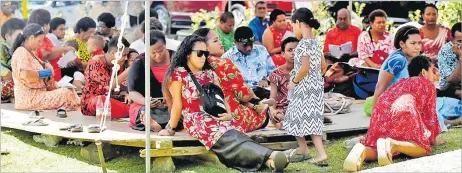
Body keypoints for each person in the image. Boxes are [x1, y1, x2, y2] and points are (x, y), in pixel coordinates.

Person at [159, 35, 288, 172]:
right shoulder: (178, 74)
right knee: (228, 138)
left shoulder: (210, 73)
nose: (204, 57)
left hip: (218, 116)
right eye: (200, 53)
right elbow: (177, 105)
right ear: (188, 54)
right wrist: (170, 128)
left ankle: (271, 163)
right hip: (197, 120)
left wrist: (229, 114)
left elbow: (222, 96)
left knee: (235, 135)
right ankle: (271, 155)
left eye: (206, 53)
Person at [343, 55, 445, 172]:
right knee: (423, 148)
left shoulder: (401, 82)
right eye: (432, 71)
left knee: (377, 148)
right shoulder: (427, 84)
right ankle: (393, 144)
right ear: (423, 72)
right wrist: (434, 139)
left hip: (381, 110)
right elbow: (430, 117)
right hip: (403, 110)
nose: (435, 74)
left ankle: (363, 151)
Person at [193, 28, 272, 133]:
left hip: (199, 120)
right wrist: (253, 97)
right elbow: (244, 96)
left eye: (219, 39)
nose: (221, 43)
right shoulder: (224, 63)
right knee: (264, 114)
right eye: (215, 40)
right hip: (229, 117)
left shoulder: (189, 65)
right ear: (203, 46)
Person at [284, 7, 328, 165]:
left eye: (292, 26)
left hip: (303, 86)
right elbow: (323, 66)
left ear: (298, 23)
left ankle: (316, 152)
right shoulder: (315, 43)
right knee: (311, 119)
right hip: (315, 86)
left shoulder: (302, 45)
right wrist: (317, 79)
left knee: (295, 117)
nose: (293, 29)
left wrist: (293, 82)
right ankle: (305, 149)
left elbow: (304, 68)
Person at [10, 24, 80, 111]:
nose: (41, 44)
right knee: (65, 93)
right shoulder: (21, 52)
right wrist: (47, 72)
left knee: (69, 90)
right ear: (31, 38)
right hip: (29, 97)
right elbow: (25, 74)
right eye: (39, 41)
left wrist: (46, 67)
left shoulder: (31, 52)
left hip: (38, 94)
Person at [128, 30, 171, 131]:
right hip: (146, 105)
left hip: (172, 104)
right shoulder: (139, 63)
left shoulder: (176, 58)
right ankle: (154, 124)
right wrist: (146, 101)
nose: (158, 55)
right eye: (153, 53)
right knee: (144, 111)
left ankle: (166, 124)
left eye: (161, 51)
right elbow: (132, 92)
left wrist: (171, 98)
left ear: (166, 45)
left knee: (179, 110)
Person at [81, 36, 130, 118]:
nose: (126, 58)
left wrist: (125, 94)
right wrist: (128, 70)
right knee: (101, 100)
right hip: (93, 103)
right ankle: (132, 112)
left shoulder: (118, 65)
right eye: (124, 55)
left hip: (113, 101)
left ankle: (131, 111)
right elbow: (109, 86)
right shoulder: (95, 62)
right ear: (113, 53)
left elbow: (119, 88)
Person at [373, 26, 422, 105]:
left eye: (419, 43)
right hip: (392, 105)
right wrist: (375, 115)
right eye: (413, 43)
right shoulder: (398, 60)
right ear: (402, 44)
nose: (417, 47)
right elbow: (380, 87)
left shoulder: (412, 58)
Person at [267, 37, 299, 130]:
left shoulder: (305, 72)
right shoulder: (275, 73)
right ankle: (284, 122)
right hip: (282, 109)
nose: (294, 53)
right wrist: (272, 110)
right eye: (289, 50)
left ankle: (288, 123)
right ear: (283, 54)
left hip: (300, 107)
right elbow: (272, 97)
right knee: (276, 115)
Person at [1, 18, 25, 103]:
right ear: (7, 36)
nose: (22, 38)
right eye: (19, 35)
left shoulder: (20, 48)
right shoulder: (1, 48)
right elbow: (6, 75)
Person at [438, 22, 461, 99]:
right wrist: (461, 58)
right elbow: (452, 81)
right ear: (452, 40)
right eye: (460, 41)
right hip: (450, 89)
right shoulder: (445, 52)